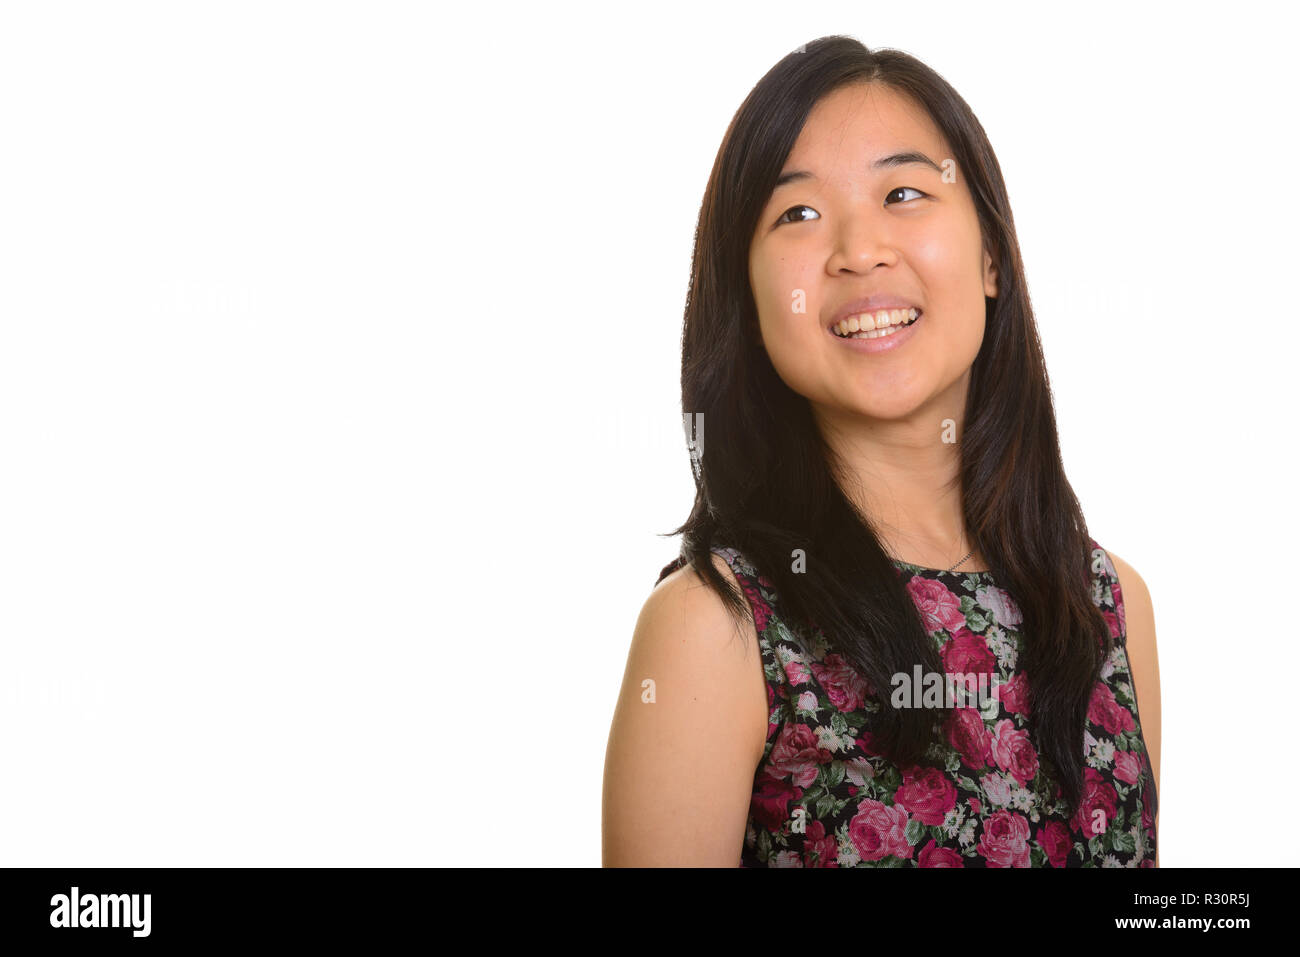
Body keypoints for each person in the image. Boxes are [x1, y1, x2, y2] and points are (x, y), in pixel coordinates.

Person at [602, 36, 1160, 867]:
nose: (859, 251)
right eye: (797, 213)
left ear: (992, 256)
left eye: (903, 192)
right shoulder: (712, 629)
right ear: (748, 299)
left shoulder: (1109, 606)